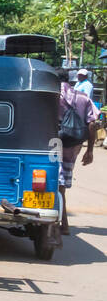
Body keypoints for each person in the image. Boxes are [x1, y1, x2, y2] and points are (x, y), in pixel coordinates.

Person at [57, 68, 97, 235]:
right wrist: (90, 151)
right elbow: (93, 123)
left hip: (53, 141)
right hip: (75, 144)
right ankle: (63, 222)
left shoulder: (51, 95)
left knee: (56, 182)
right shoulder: (83, 97)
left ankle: (62, 223)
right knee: (61, 181)